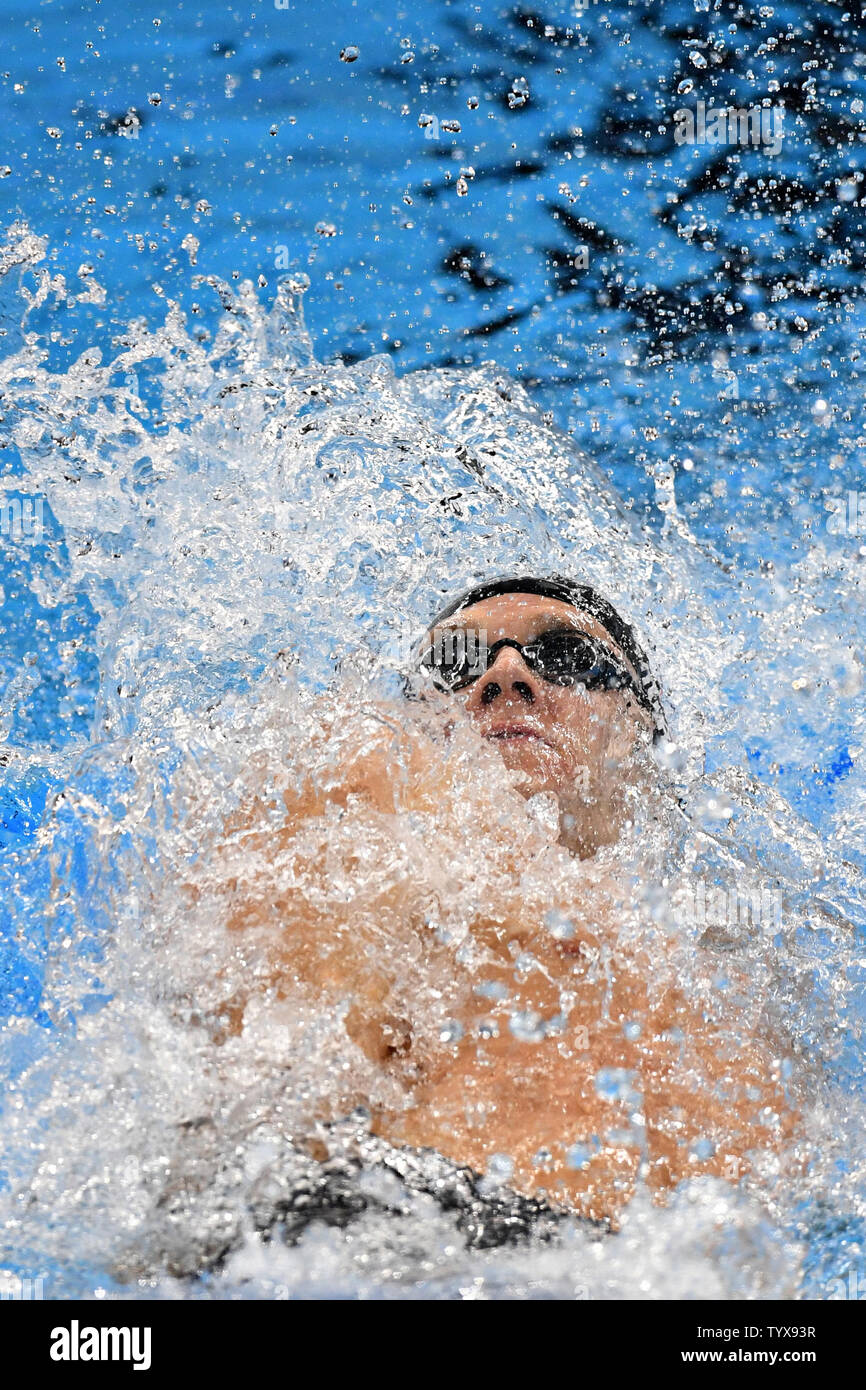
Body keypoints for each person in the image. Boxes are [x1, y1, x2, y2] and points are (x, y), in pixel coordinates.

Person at [212, 575, 795, 1228]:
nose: (506, 675)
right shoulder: (363, 889)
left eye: (568, 658)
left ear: (635, 727)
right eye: (454, 665)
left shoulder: (719, 947)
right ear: (411, 732)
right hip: (388, 1228)